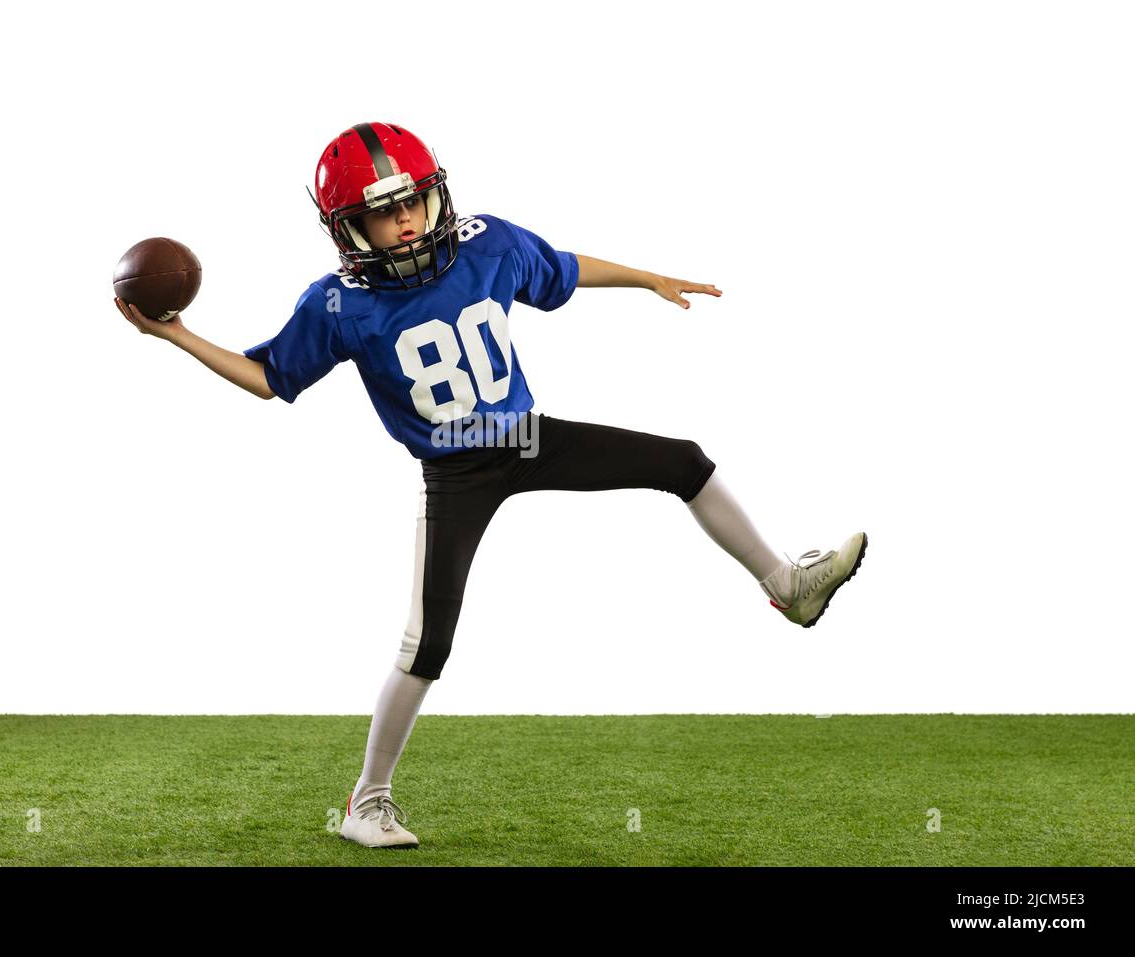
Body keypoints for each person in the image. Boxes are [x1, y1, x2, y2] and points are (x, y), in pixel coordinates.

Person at [114, 121, 868, 850]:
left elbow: (563, 265)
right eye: (382, 212)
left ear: (435, 195)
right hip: (453, 471)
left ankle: (789, 586)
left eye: (411, 201)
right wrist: (175, 335)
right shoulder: (335, 303)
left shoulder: (489, 244)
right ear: (349, 228)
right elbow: (269, 379)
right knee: (427, 643)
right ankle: (365, 800)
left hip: (524, 438)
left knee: (684, 462)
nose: (405, 221)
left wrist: (646, 278)